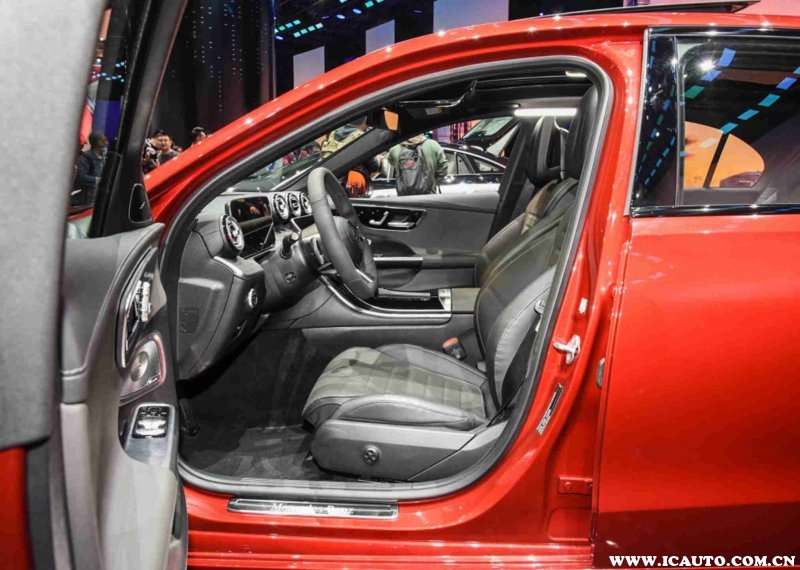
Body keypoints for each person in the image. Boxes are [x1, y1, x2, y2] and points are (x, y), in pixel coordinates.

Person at [74, 131, 107, 205]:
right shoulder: (86, 157)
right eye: (105, 140)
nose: (107, 143)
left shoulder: (102, 157)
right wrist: (99, 180)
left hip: (97, 196)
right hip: (87, 198)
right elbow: (82, 177)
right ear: (99, 143)